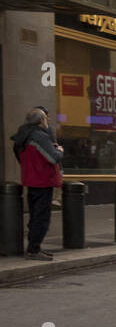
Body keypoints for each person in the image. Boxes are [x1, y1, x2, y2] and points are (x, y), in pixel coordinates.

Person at [9, 106, 62, 261]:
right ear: (41, 121)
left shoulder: (22, 135)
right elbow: (53, 158)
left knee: (34, 215)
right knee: (41, 217)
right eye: (45, 118)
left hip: (30, 180)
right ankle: (33, 250)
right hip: (43, 181)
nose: (47, 121)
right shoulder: (39, 136)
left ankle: (35, 247)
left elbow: (20, 157)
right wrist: (60, 151)